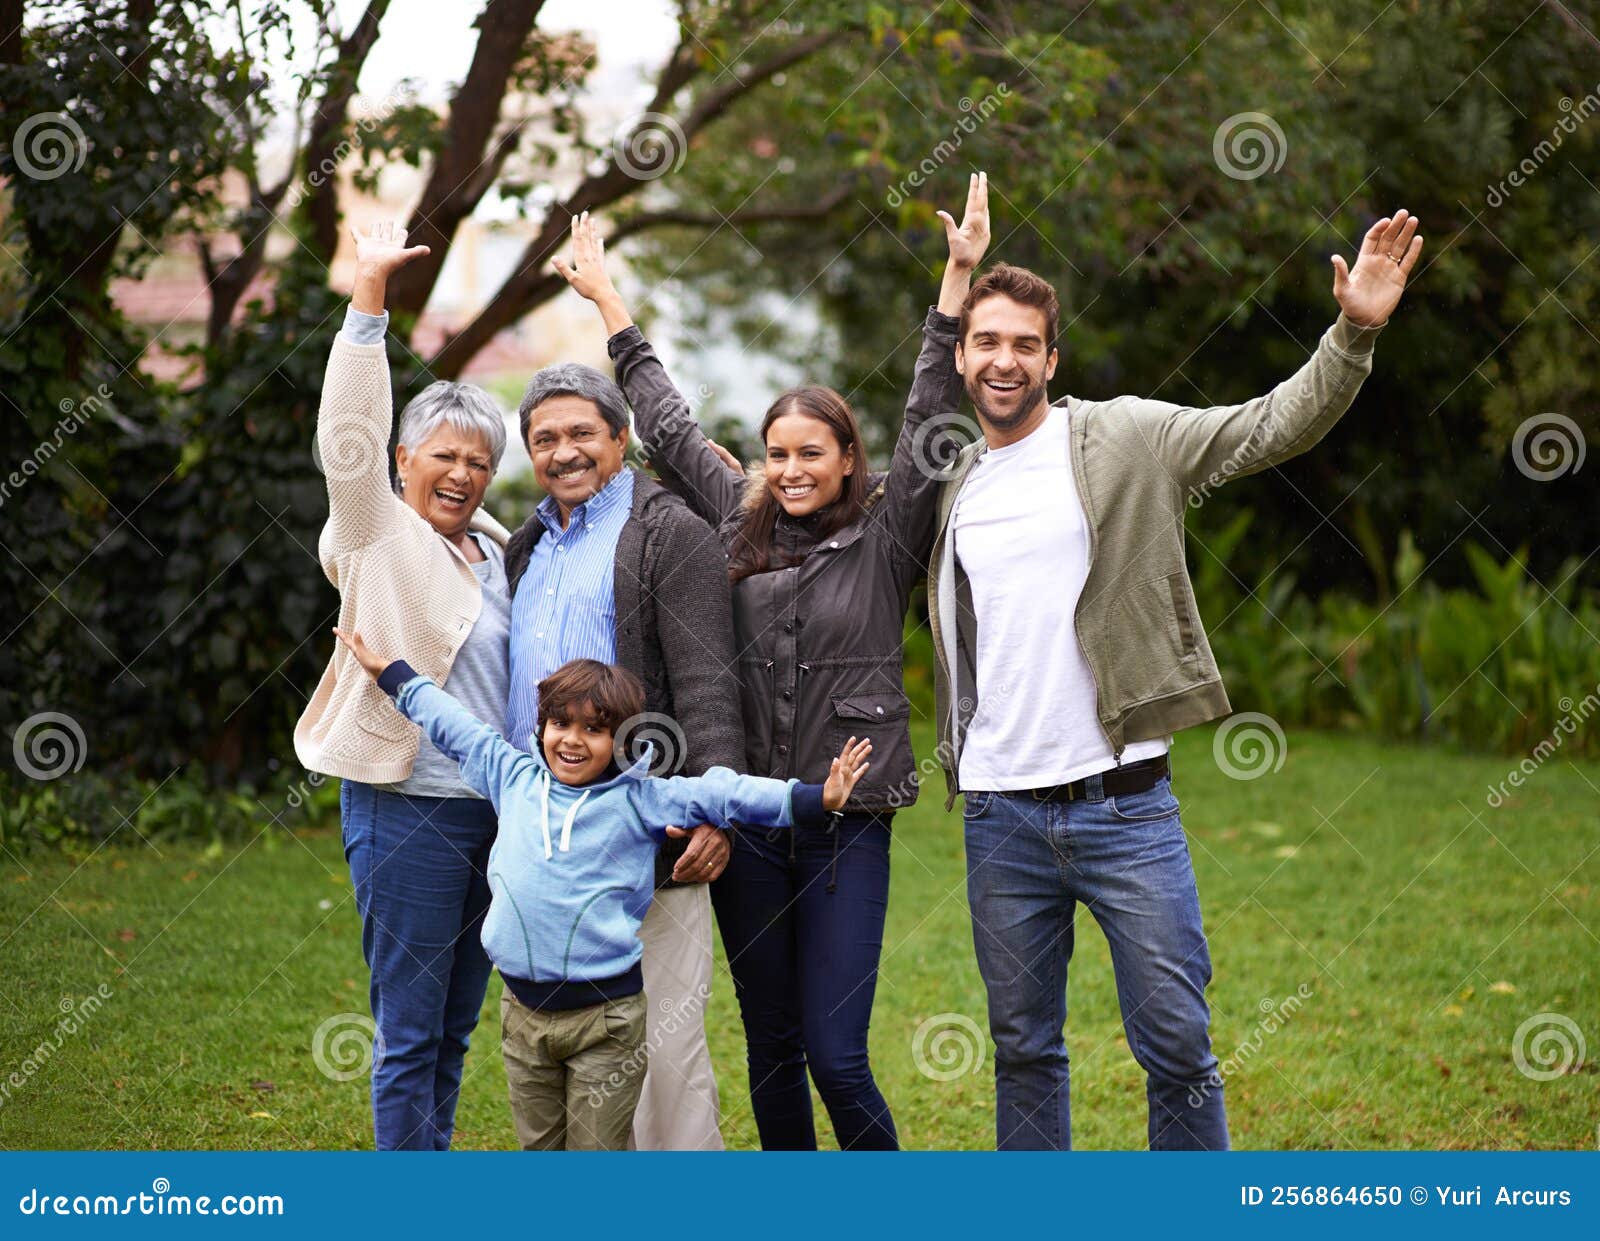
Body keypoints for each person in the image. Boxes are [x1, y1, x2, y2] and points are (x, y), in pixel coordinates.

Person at [928, 209, 1424, 1150]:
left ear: (1051, 361)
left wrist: (1355, 332)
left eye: (1024, 346)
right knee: (1024, 1048)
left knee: (1178, 1046)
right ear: (961, 356)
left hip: (1125, 808)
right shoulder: (954, 482)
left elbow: (1268, 426)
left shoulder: (1127, 437)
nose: (1003, 360)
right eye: (984, 341)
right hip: (999, 811)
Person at [550, 174, 991, 1148]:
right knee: (773, 1049)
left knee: (836, 1053)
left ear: (846, 459)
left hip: (847, 825)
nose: (789, 468)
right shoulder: (737, 519)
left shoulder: (887, 535)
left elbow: (928, 417)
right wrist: (608, 302)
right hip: (753, 822)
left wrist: (955, 285)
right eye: (775, 452)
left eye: (810, 452)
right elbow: (664, 424)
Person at [331, 627, 873, 1149]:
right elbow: (453, 724)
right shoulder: (513, 778)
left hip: (606, 1024)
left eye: (594, 729)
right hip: (522, 1020)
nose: (571, 740)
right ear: (540, 727)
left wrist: (813, 799)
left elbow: (722, 793)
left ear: (621, 740)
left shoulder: (641, 799)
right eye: (559, 724)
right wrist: (395, 676)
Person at [294, 221, 513, 1150]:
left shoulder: (500, 549)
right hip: (406, 806)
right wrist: (368, 303)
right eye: (444, 455)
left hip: (490, 812)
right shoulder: (378, 531)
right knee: (410, 1034)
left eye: (479, 459)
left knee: (456, 1030)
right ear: (402, 462)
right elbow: (348, 429)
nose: (462, 472)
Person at [502, 342, 744, 1150]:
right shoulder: (525, 546)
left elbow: (708, 680)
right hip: (550, 846)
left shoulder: (667, 529)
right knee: (575, 1064)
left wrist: (716, 806)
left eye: (581, 433)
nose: (563, 451)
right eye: (544, 438)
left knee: (664, 1049)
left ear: (620, 437)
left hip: (650, 836)